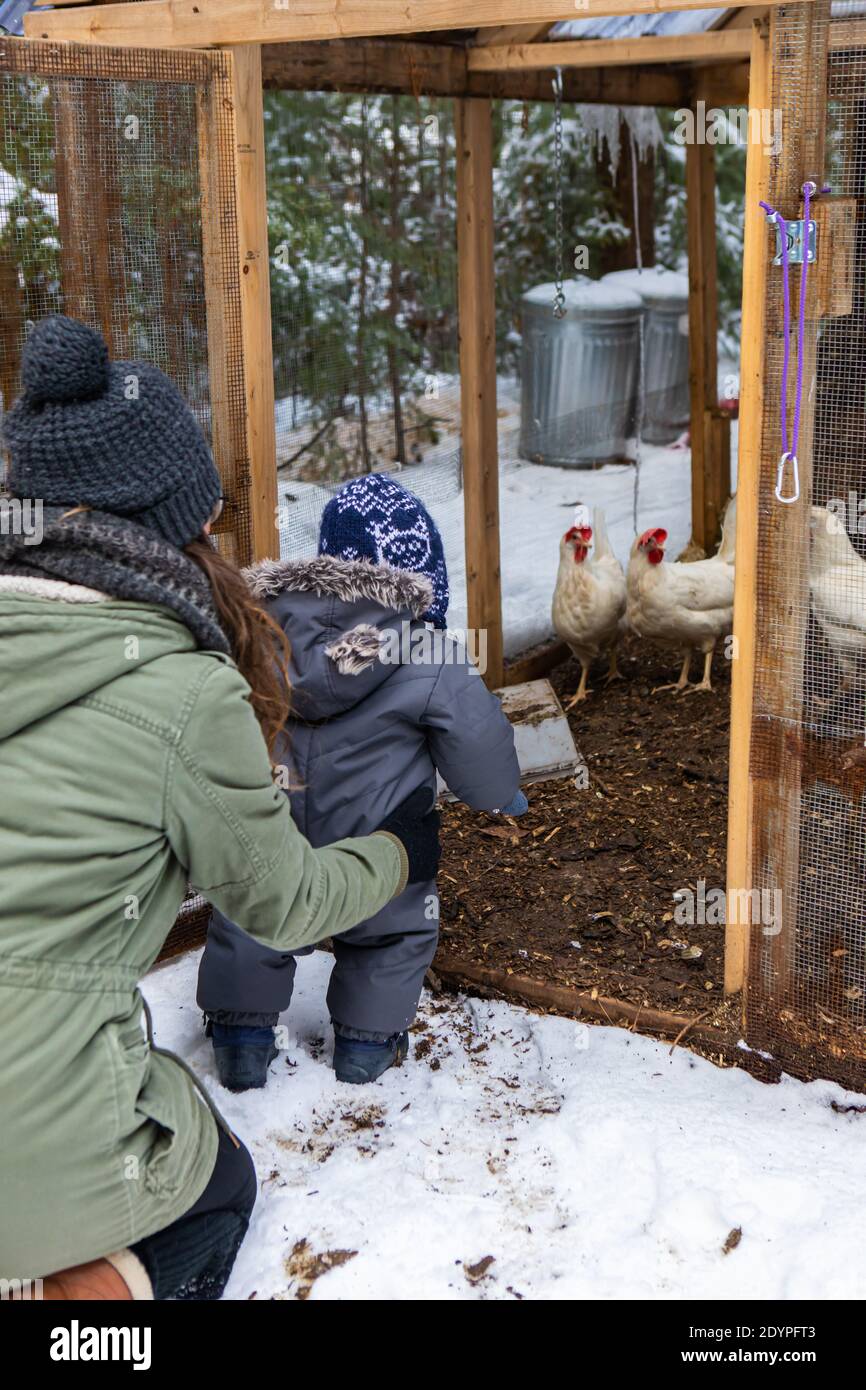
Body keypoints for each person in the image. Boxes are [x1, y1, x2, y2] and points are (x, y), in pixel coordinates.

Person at [0, 316, 439, 1301]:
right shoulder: (183, 693)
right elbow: (280, 903)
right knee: (218, 1183)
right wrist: (396, 852)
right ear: (175, 518)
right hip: (21, 1121)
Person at [197, 473, 526, 1090]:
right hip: (380, 841)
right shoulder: (429, 653)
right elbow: (479, 746)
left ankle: (240, 1042)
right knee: (392, 931)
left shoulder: (256, 637)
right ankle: (365, 1049)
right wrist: (497, 796)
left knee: (251, 913)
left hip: (273, 823)